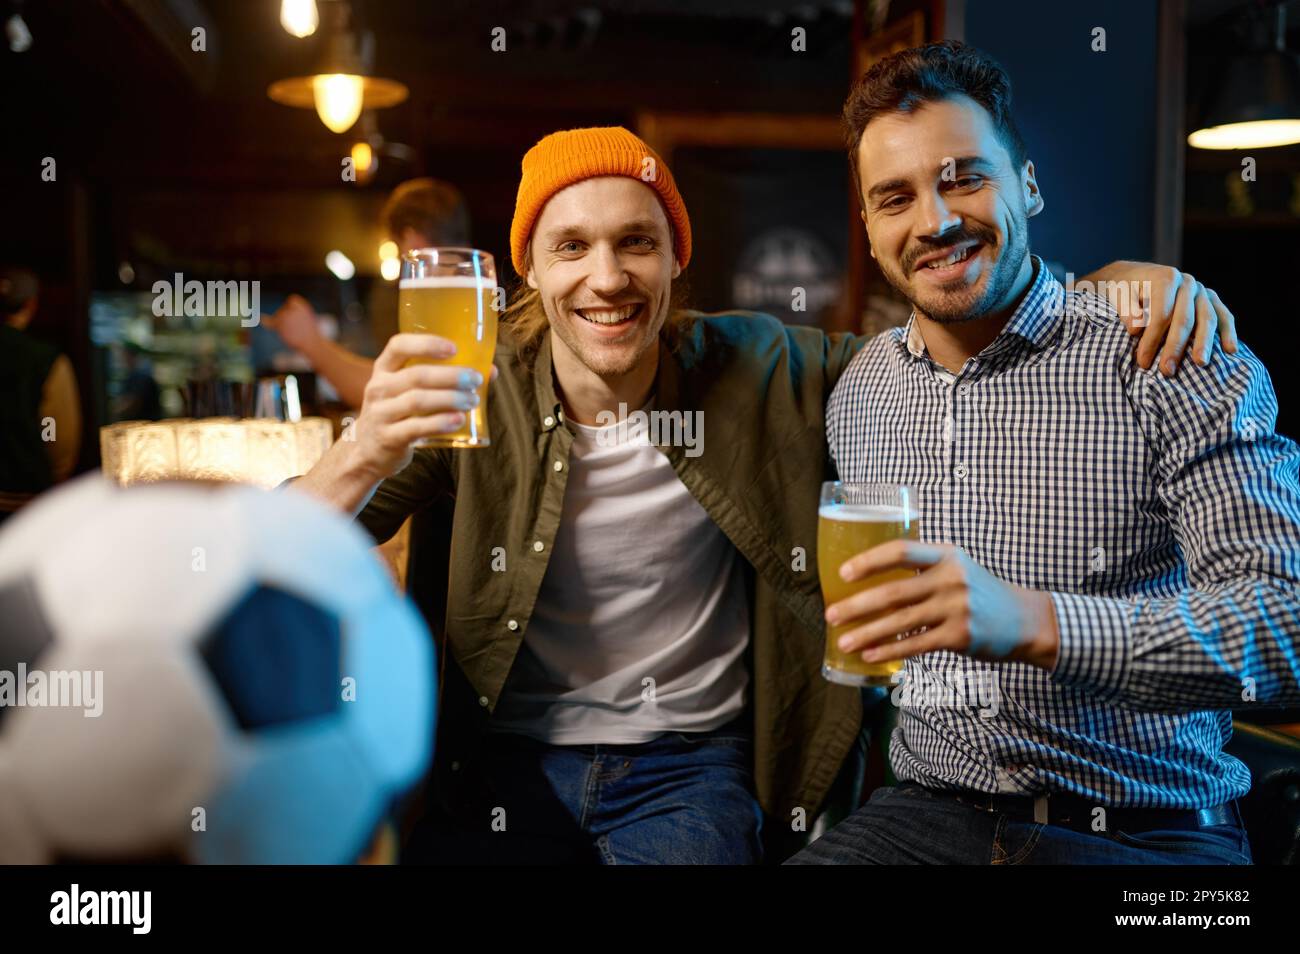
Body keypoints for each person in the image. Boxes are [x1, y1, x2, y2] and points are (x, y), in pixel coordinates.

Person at [289, 126, 1233, 864]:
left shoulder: (764, 367)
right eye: (570, 246)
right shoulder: (474, 387)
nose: (607, 276)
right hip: (503, 763)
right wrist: (364, 448)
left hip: (689, 770)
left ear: (674, 263)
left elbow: (936, 352)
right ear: (527, 271)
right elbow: (273, 546)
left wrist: (1102, 287)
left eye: (637, 244)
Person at [786, 41, 1300, 866]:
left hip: (1149, 837)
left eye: (965, 176)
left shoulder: (1167, 352)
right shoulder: (862, 391)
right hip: (923, 817)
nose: (935, 220)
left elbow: (1287, 631)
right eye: (895, 197)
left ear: (1027, 184)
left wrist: (1034, 621)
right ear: (870, 228)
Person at [262, 178, 472, 409]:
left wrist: (311, 342)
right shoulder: (484, 291)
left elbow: (397, 394)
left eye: (397, 246)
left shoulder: (430, 300)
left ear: (411, 239)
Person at [0, 266, 82, 529]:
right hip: (26, 505)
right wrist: (52, 463)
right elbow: (55, 428)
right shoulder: (45, 361)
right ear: (32, 304)